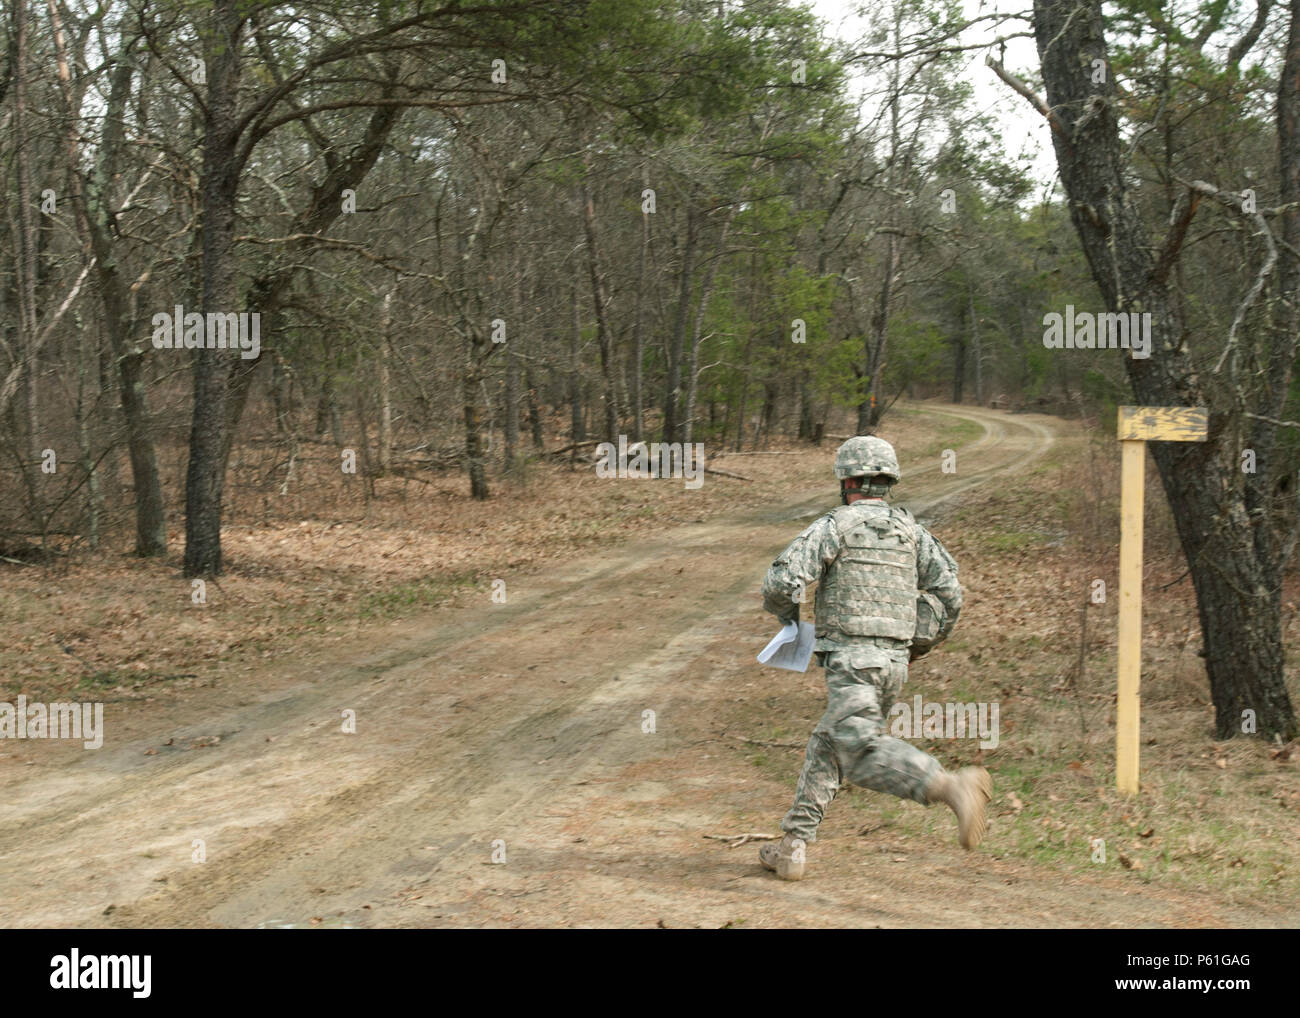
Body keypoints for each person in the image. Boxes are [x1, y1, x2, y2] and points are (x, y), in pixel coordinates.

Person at [758, 435, 991, 880]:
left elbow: (780, 582)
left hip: (852, 660)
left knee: (856, 748)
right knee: (831, 745)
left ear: (846, 480)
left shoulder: (835, 527)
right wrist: (916, 642)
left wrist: (790, 622)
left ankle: (948, 786)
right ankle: (793, 846)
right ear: (889, 481)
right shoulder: (913, 534)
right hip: (893, 665)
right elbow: (950, 597)